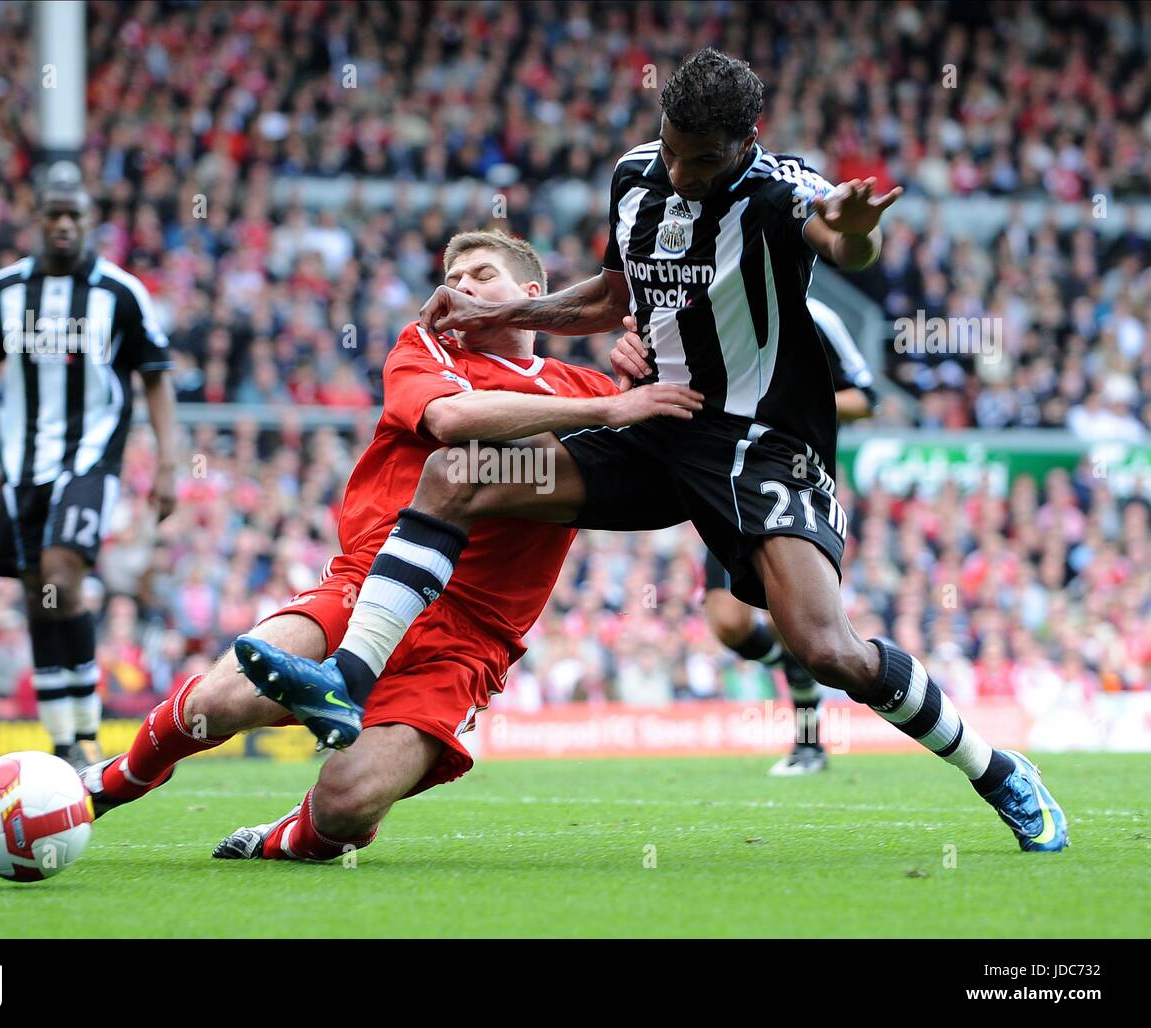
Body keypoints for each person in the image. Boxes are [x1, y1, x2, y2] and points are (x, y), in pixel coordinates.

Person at [255, 50, 1067, 853]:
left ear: (746, 142)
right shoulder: (635, 176)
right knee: (457, 472)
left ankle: (996, 769)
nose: (680, 172)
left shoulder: (782, 188)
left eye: (701, 160)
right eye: (673, 148)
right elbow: (611, 298)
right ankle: (349, 680)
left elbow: (841, 239)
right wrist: (493, 315)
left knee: (827, 649)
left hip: (758, 449)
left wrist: (857, 235)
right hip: (654, 429)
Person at [77, 229, 702, 863]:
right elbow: (452, 419)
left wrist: (640, 373)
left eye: (482, 276)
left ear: (532, 295)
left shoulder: (592, 387)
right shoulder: (425, 345)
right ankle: (118, 779)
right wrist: (607, 410)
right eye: (452, 279)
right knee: (222, 699)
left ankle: (284, 835)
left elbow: (656, 455)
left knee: (346, 802)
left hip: (471, 637)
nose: (461, 288)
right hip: (369, 583)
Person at [0, 163, 178, 769]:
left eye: (75, 215)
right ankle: (62, 738)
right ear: (37, 220)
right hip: (20, 465)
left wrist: (169, 464)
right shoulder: (2, 290)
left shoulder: (119, 293)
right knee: (36, 592)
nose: (65, 225)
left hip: (91, 458)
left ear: (90, 221)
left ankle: (88, 729)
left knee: (60, 575)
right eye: (55, 214)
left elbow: (155, 377)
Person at [610, 297, 878, 775]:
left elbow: (866, 397)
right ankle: (795, 671)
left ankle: (809, 742)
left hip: (791, 482)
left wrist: (792, 403)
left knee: (793, 620)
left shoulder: (816, 316)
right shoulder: (716, 308)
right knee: (729, 624)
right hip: (726, 482)